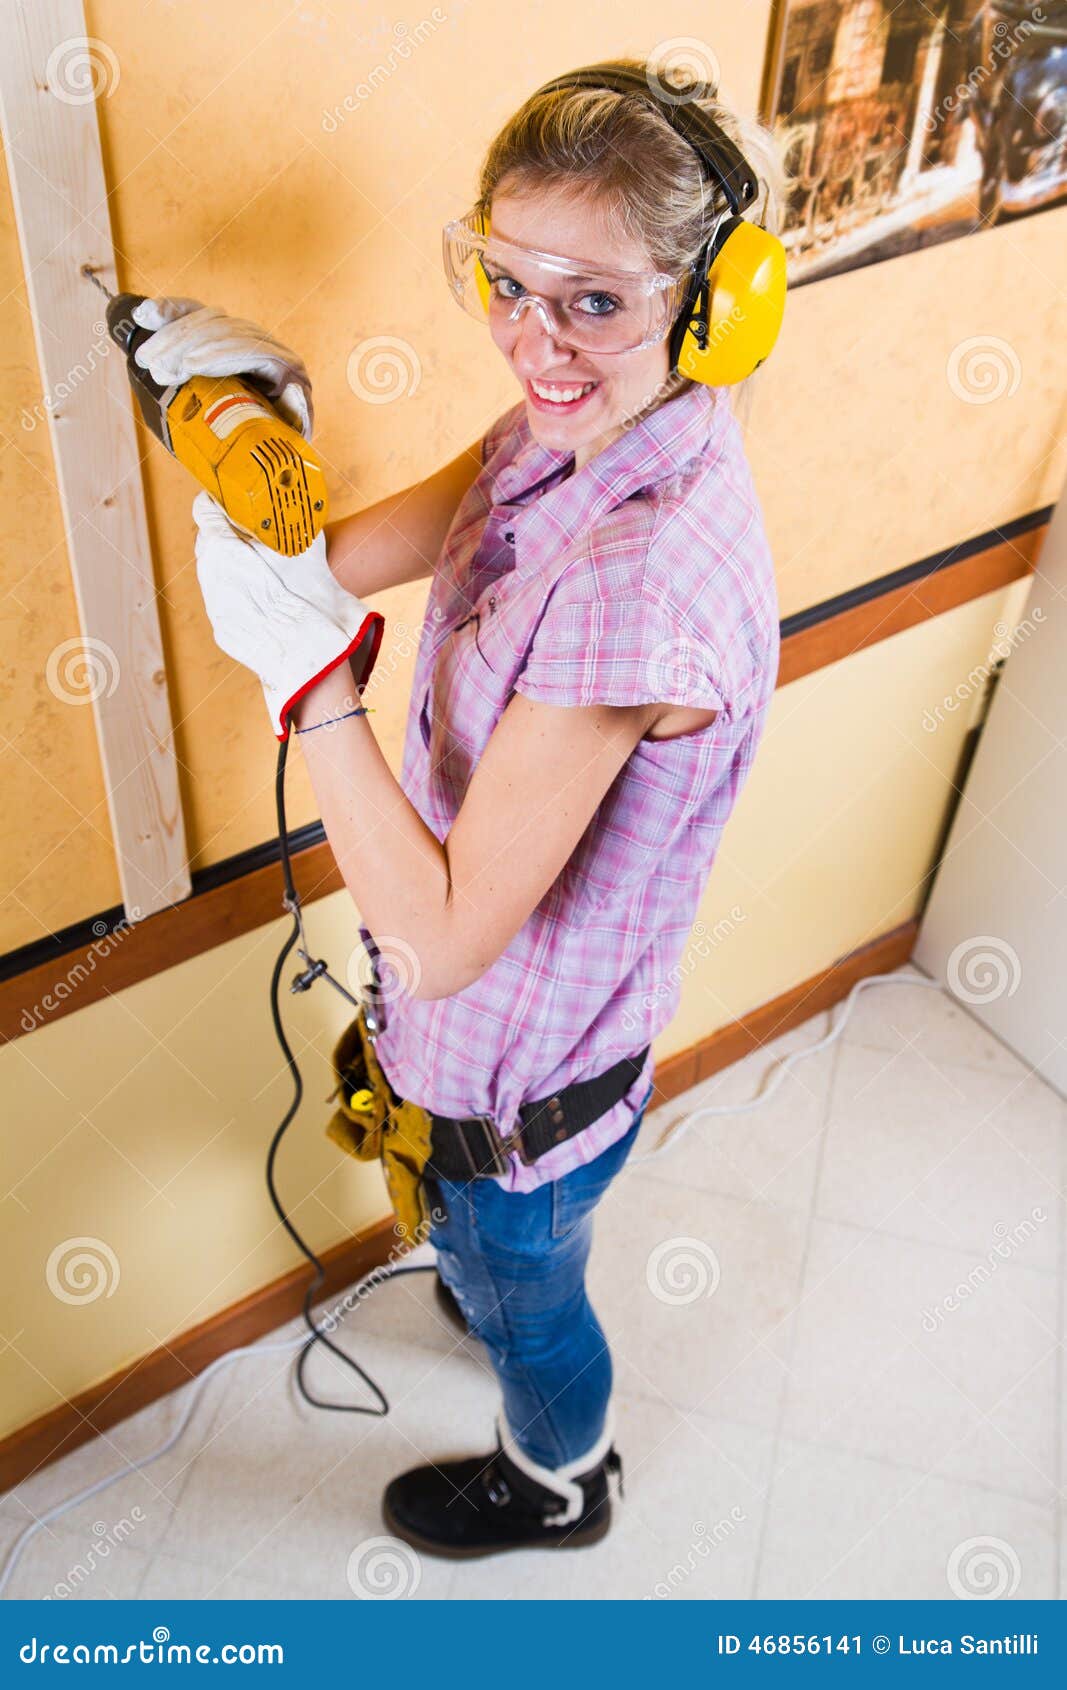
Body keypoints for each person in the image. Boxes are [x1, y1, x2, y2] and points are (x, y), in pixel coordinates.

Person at [134, 56, 789, 1560]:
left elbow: (430, 941)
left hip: (520, 1100)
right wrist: (256, 446)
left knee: (528, 1300)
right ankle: (488, 1282)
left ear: (711, 304)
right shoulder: (563, 437)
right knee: (492, 1260)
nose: (532, 342)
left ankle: (562, 1474)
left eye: (593, 301)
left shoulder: (644, 575)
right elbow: (356, 558)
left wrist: (312, 691)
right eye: (506, 281)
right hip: (492, 1063)